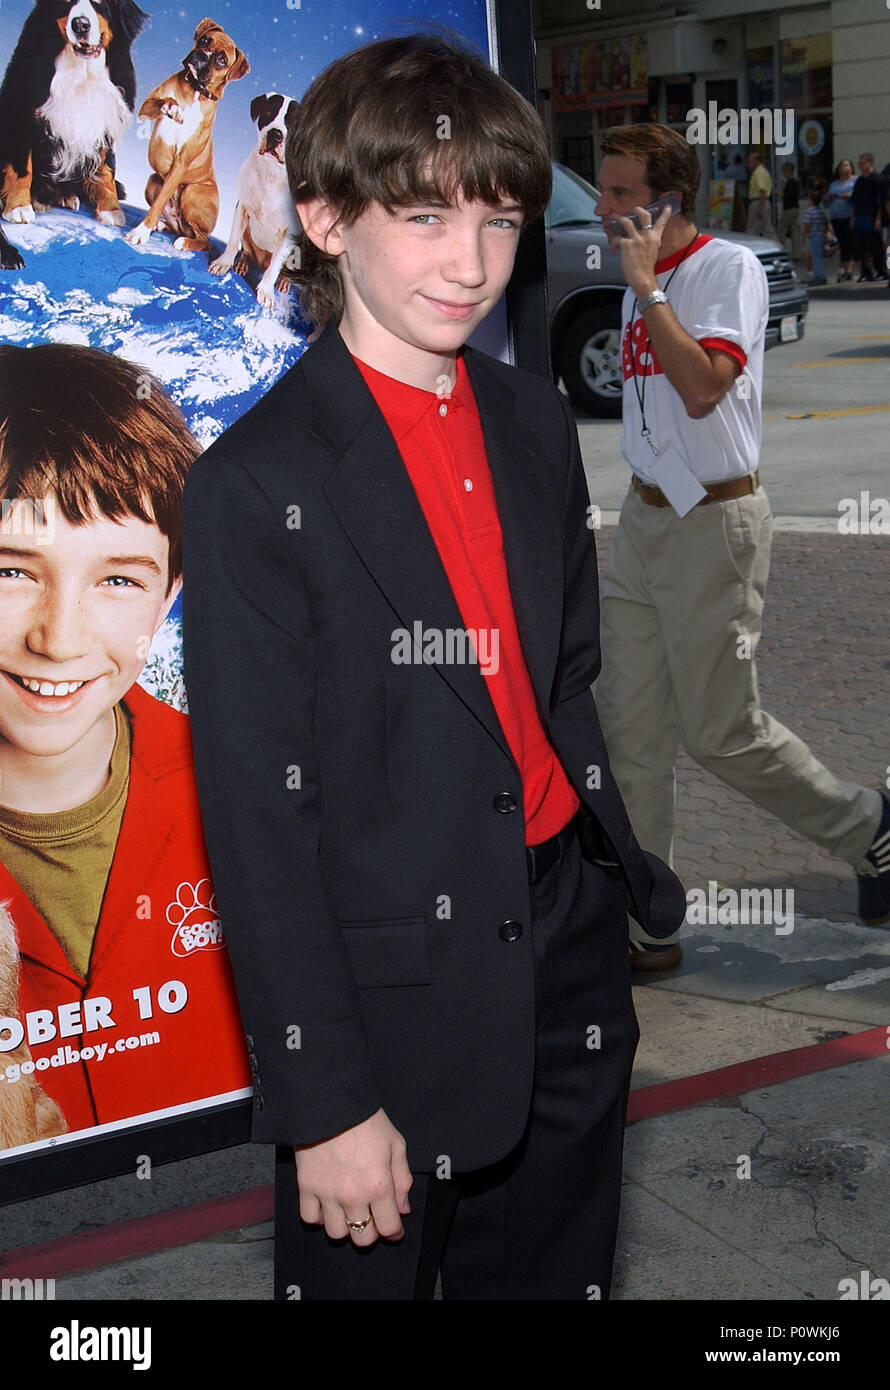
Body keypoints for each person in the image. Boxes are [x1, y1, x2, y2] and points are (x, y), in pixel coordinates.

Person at [179, 34, 684, 1301]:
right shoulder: (255, 484)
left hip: (564, 939)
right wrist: (326, 1100)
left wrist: (603, 870)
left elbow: (564, 676)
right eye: (422, 217)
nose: (470, 266)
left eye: (500, 221)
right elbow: (255, 821)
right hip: (384, 981)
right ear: (323, 217)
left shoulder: (527, 424)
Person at [591, 123, 890, 971]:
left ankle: (866, 826)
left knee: (721, 731)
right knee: (632, 730)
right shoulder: (633, 281)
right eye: (604, 190)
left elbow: (701, 390)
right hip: (645, 520)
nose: (605, 206)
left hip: (716, 523)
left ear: (666, 200)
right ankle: (651, 919)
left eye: (619, 193)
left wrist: (648, 288)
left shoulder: (725, 270)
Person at [0, 344, 251, 1147]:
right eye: (12, 572)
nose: (59, 639)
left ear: (170, 597)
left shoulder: (254, 791)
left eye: (118, 581)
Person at [851, 153, 885, 280]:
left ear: (870, 163)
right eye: (859, 163)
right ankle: (866, 273)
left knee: (875, 246)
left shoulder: (878, 180)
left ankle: (881, 271)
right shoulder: (859, 181)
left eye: (862, 163)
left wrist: (878, 218)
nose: (860, 165)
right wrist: (853, 218)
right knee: (861, 247)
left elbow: (881, 201)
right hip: (860, 218)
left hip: (872, 218)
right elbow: (854, 201)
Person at [824, 158, 856, 281]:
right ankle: (843, 270)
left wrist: (848, 196)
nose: (843, 168)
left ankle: (847, 270)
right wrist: (828, 198)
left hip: (849, 216)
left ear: (851, 168)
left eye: (846, 165)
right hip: (836, 217)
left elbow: (858, 196)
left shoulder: (855, 181)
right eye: (841, 166)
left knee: (849, 243)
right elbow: (826, 202)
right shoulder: (834, 184)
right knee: (841, 243)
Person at [802, 178, 829, 285]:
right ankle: (819, 275)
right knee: (818, 256)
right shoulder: (820, 212)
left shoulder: (809, 211)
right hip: (821, 235)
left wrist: (803, 236)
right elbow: (825, 223)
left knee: (815, 257)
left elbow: (806, 225)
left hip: (814, 236)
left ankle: (820, 277)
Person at [746, 150, 774, 236]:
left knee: (752, 230)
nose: (748, 164)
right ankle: (776, 248)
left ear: (756, 161)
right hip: (764, 202)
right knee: (767, 230)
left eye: (750, 161)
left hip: (758, 202)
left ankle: (750, 248)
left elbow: (763, 190)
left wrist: (760, 208)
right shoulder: (763, 171)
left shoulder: (759, 172)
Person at [778, 161, 801, 262]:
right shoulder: (794, 182)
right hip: (794, 208)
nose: (784, 173)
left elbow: (787, 196)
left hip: (789, 209)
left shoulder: (791, 183)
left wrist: (777, 192)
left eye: (785, 171)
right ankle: (797, 254)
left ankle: (782, 251)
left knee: (781, 230)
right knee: (794, 231)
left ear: (789, 171)